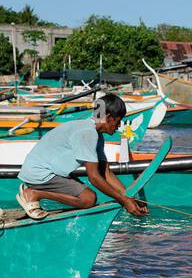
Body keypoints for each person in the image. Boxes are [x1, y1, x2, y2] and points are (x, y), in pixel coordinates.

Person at [15, 92, 148, 219]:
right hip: (40, 173)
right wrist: (124, 201)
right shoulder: (87, 133)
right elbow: (94, 178)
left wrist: (130, 198)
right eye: (118, 121)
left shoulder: (96, 134)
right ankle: (33, 194)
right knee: (88, 199)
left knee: (88, 196)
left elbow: (105, 172)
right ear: (108, 118)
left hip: (47, 171)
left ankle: (35, 193)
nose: (119, 126)